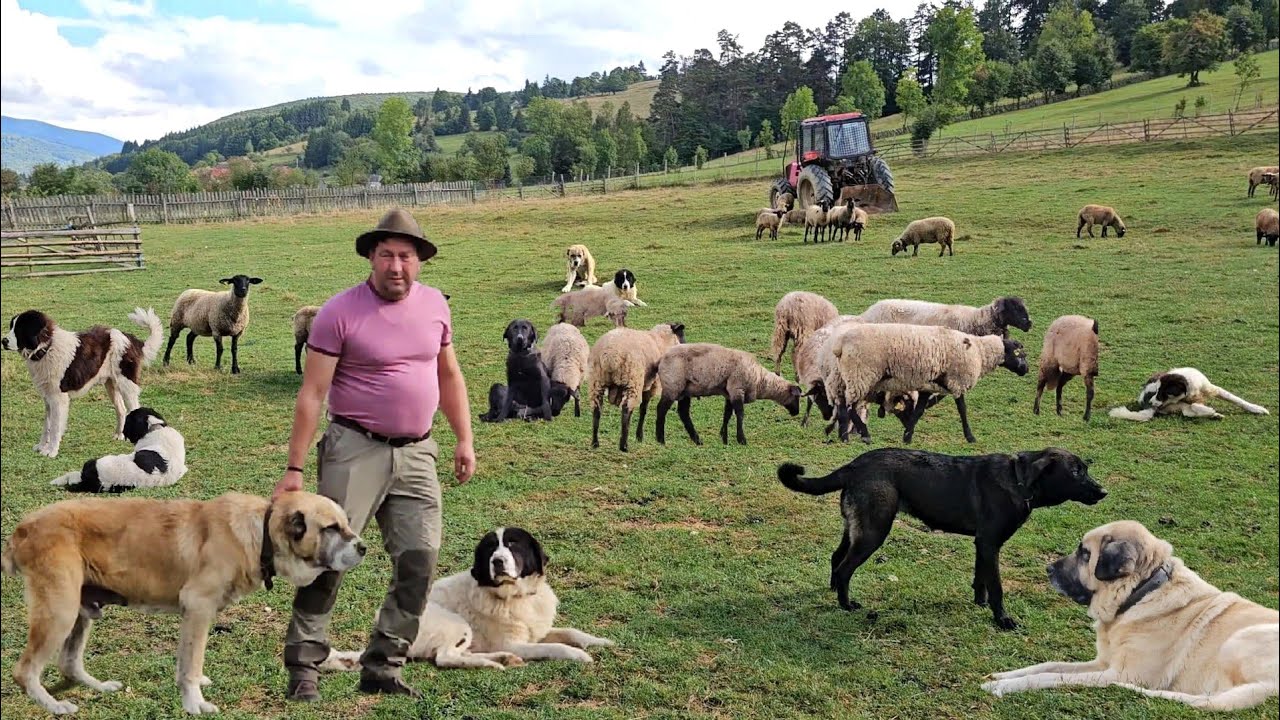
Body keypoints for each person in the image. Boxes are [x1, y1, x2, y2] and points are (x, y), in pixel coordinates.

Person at [271, 207, 475, 701]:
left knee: (419, 561)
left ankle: (384, 663)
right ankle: (305, 665)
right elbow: (312, 394)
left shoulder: (435, 307)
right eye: (386, 255)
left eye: (406, 256)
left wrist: (464, 438)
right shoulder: (339, 312)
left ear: (420, 260)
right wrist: (295, 468)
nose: (396, 266)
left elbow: (448, 375)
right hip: (353, 448)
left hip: (417, 453)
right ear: (371, 257)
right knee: (329, 558)